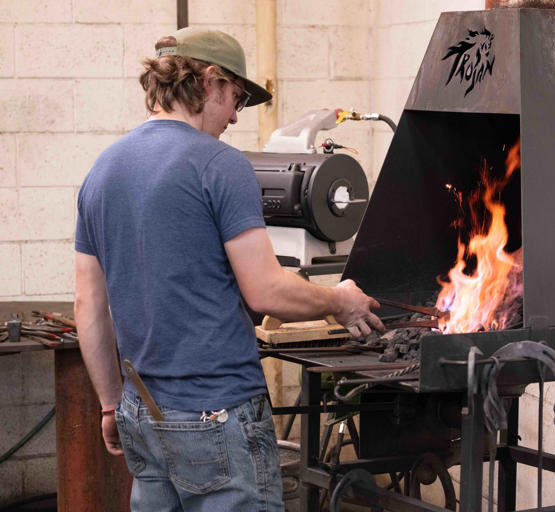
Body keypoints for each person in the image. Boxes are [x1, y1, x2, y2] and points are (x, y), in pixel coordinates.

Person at [74, 27, 384, 511]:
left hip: (141, 410)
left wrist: (110, 403)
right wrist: (339, 301)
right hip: (215, 413)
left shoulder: (101, 171)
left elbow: (89, 307)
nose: (236, 116)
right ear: (210, 80)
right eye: (235, 97)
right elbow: (266, 293)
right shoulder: (220, 164)